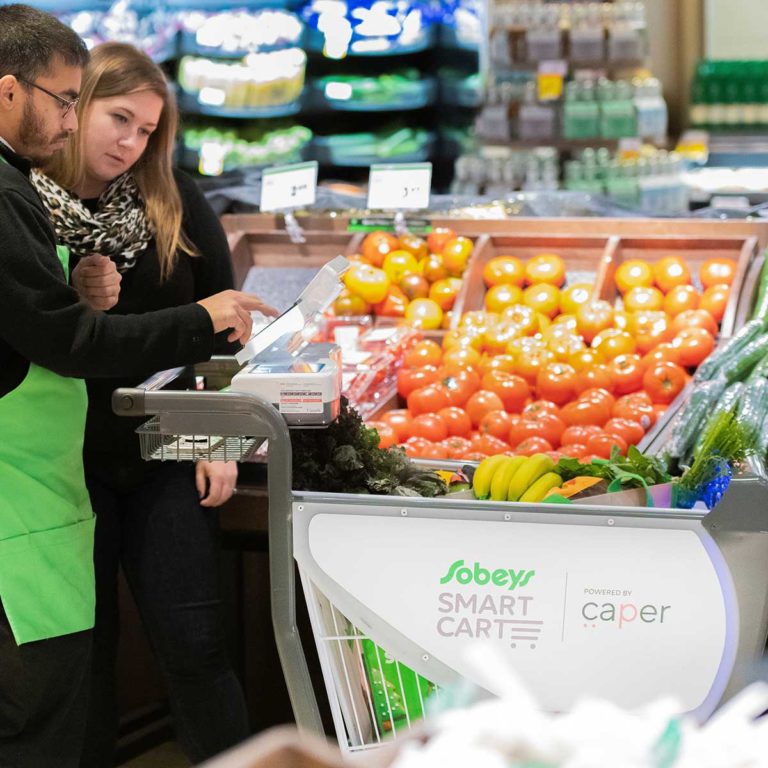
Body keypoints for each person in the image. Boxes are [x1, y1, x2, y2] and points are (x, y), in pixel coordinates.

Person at [0, 7, 275, 768]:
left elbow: (227, 336)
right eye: (117, 118)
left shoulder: (177, 204)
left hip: (168, 454)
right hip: (60, 469)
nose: (131, 142)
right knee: (81, 658)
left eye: (149, 130)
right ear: (75, 105)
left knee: (193, 640)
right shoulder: (25, 202)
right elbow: (65, 337)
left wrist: (218, 434)